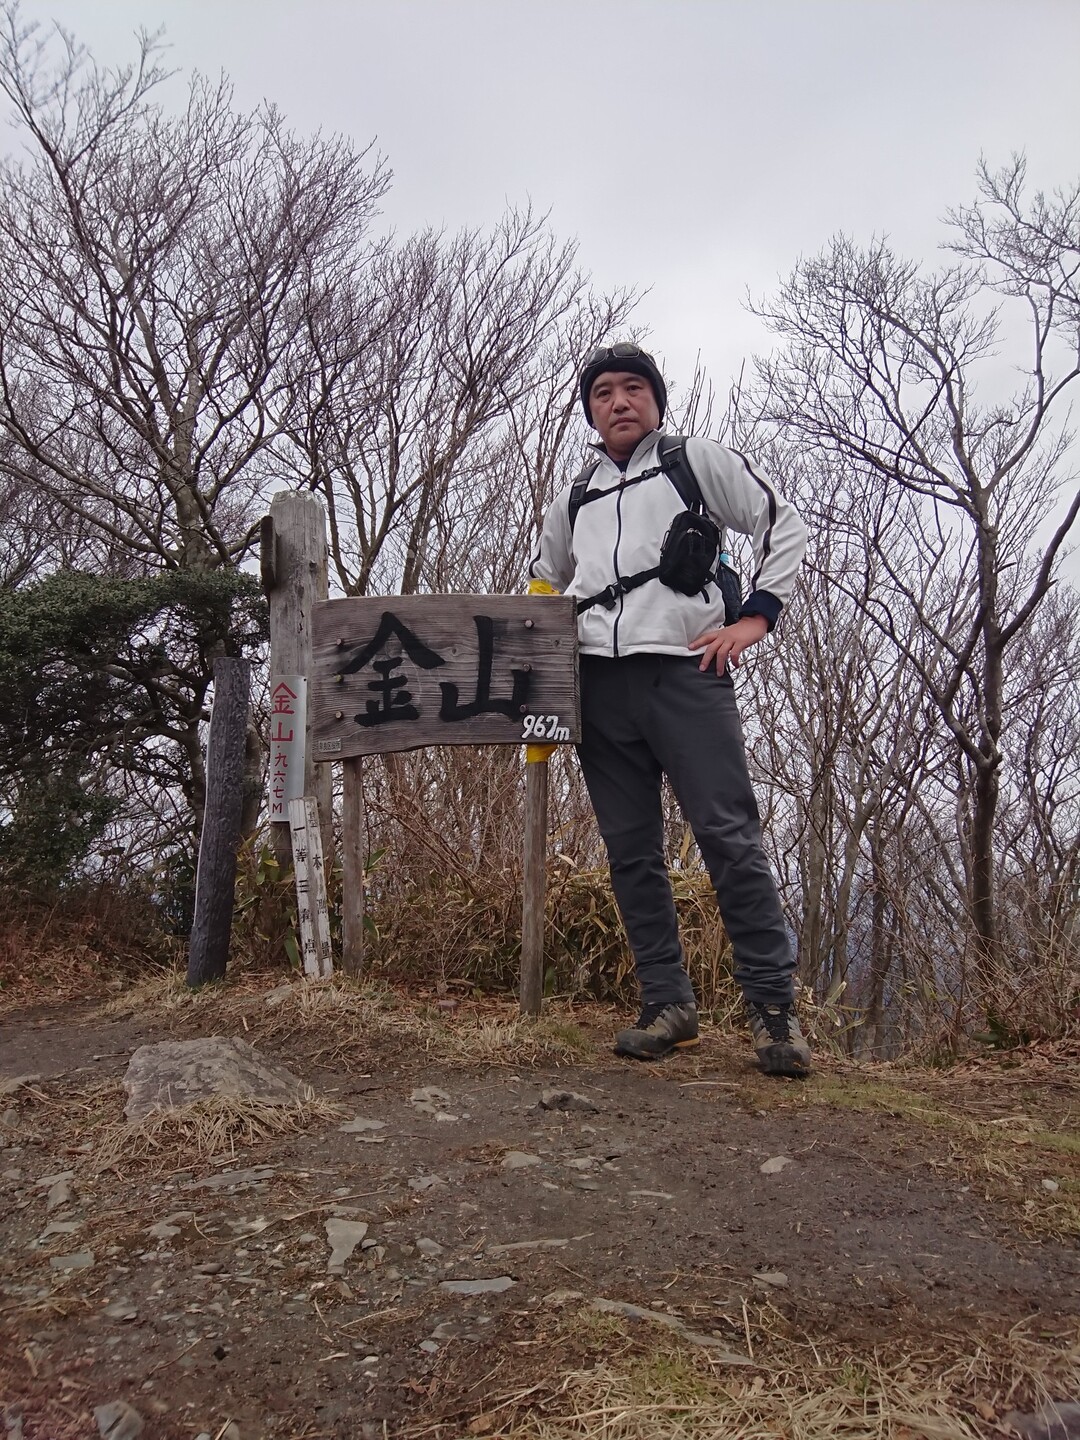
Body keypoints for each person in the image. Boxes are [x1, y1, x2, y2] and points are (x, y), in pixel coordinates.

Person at [528, 343, 811, 1076]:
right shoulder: (576, 496)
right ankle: (667, 1004)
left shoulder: (695, 460)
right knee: (630, 853)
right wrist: (538, 681)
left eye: (632, 389)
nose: (618, 402)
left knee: (728, 837)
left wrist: (756, 617)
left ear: (655, 399)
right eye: (602, 394)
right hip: (599, 688)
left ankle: (773, 1010)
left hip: (687, 676)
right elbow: (542, 580)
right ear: (589, 410)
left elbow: (780, 521)